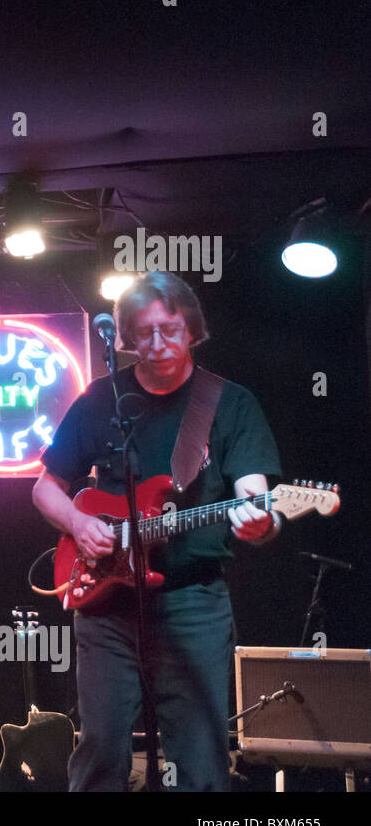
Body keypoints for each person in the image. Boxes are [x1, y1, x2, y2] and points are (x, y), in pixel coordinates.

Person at [31, 272, 282, 792]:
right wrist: (79, 523)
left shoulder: (229, 403)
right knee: (100, 750)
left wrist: (261, 520)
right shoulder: (103, 399)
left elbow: (255, 495)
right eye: (143, 333)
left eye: (169, 329)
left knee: (202, 755)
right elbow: (46, 487)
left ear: (191, 329)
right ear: (125, 337)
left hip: (192, 603)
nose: (158, 343)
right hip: (107, 606)